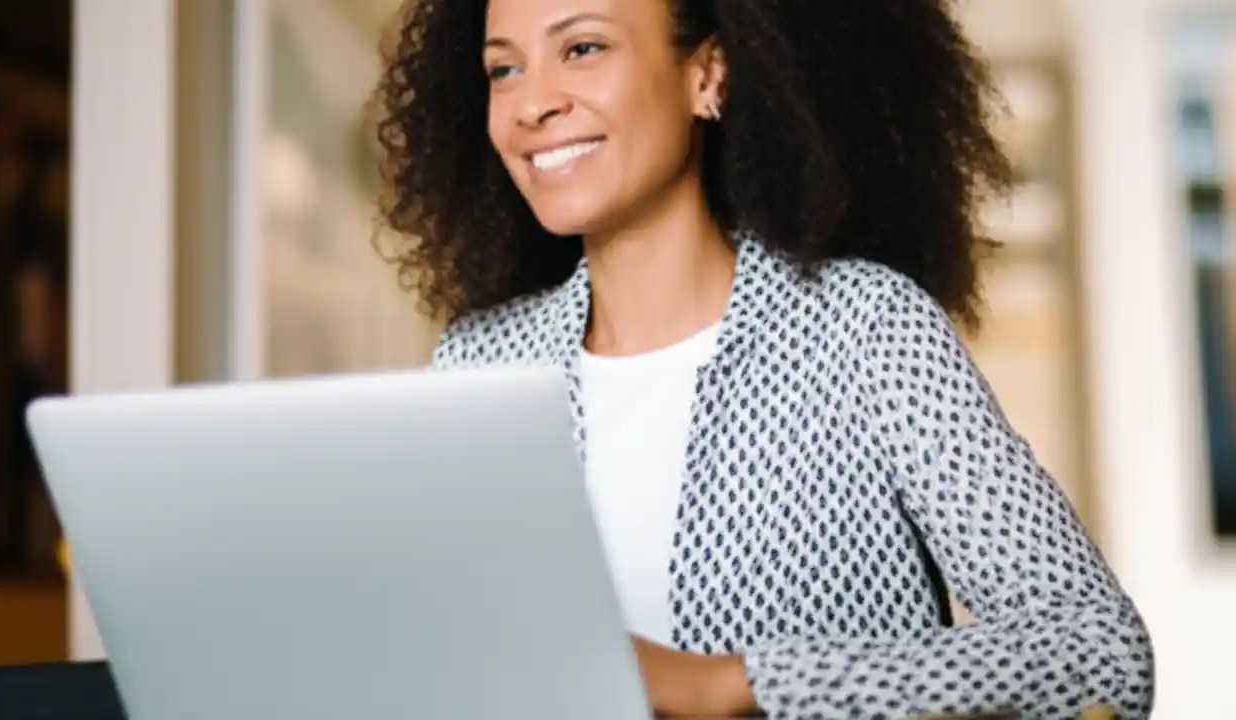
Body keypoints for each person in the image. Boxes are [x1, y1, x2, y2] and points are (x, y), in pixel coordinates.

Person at [374, 0, 1155, 717]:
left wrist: (735, 683)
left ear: (706, 73)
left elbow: (1099, 654)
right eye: (503, 68)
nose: (533, 102)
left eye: (581, 48)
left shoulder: (864, 332)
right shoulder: (479, 365)